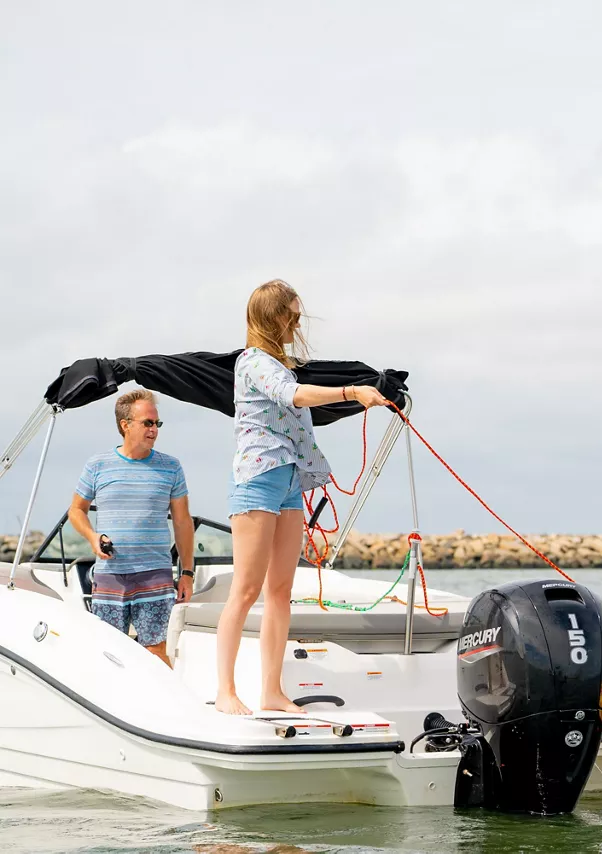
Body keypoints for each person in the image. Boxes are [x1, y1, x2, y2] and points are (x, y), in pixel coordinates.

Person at [215, 280, 390, 716]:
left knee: (280, 589)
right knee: (246, 588)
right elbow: (293, 395)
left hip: (290, 480)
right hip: (258, 479)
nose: (297, 322)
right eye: (291, 314)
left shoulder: (282, 364)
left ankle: (271, 692)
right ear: (272, 317)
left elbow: (298, 392)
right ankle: (225, 691)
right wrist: (352, 393)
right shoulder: (253, 363)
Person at [68, 389, 194, 666]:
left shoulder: (171, 467)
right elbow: (76, 510)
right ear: (125, 425)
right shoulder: (98, 465)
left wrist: (186, 573)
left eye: (156, 423)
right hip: (110, 576)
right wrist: (92, 536)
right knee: (108, 655)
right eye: (147, 423)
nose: (154, 430)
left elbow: (183, 522)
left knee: (156, 654)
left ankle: (164, 709)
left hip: (155, 575)